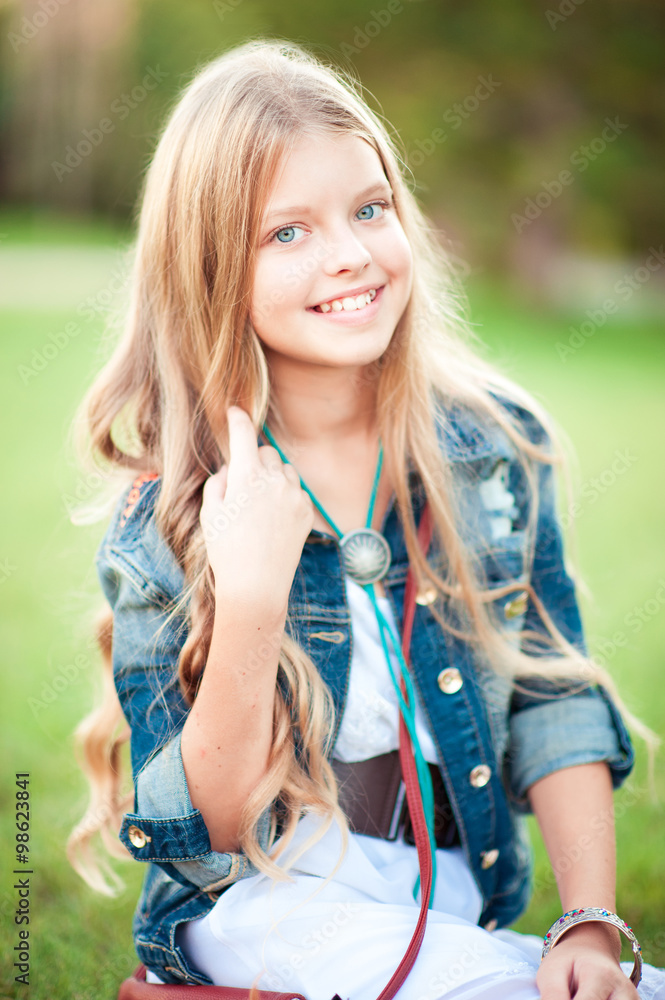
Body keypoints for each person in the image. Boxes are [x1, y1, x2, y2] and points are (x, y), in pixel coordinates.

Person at [67, 39, 664, 1000]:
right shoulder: (171, 512)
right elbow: (204, 829)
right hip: (260, 907)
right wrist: (254, 599)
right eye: (287, 233)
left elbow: (554, 699)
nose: (350, 253)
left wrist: (587, 923)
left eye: (369, 209)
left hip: (449, 905)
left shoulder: (493, 449)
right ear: (212, 268)